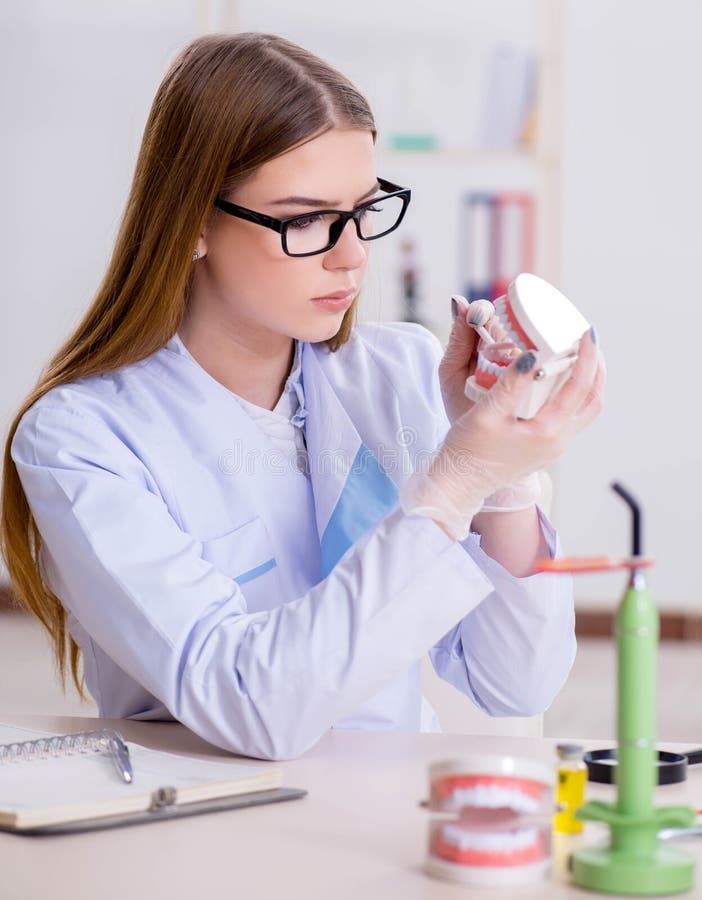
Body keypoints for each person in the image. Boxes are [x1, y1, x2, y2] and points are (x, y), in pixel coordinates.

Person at [1, 33, 604, 761]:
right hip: (205, 825)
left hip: (387, 811)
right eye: (305, 219)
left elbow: (517, 682)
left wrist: (503, 480)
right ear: (192, 220)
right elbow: (251, 707)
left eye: (363, 211)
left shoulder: (400, 370)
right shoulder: (81, 438)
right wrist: (457, 480)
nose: (351, 255)